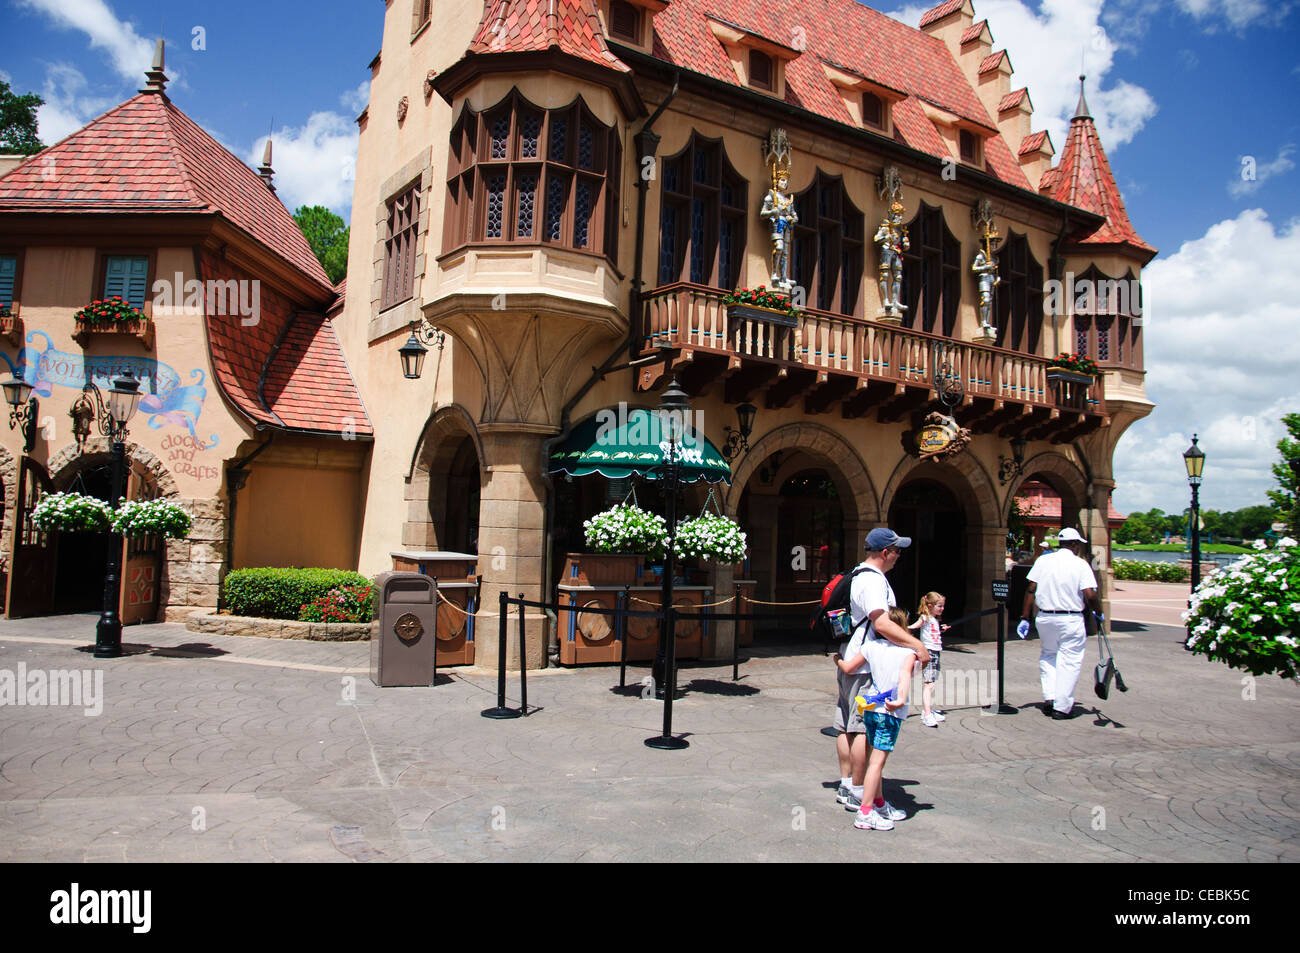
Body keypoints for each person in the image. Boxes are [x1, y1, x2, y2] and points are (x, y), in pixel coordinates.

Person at [831, 528, 929, 830]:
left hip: (850, 655)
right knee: (862, 730)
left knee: (845, 725)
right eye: (897, 550)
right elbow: (881, 621)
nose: (899, 556)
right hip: (864, 662)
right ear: (885, 552)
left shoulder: (857, 574)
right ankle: (861, 792)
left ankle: (849, 784)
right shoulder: (873, 580)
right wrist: (915, 644)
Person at [1018, 527, 1102, 719]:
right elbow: (1090, 594)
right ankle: (1061, 707)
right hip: (1070, 618)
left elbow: (1031, 589)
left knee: (1048, 655)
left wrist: (1025, 617)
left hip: (1046, 617)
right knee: (1069, 660)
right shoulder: (1080, 565)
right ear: (1074, 545)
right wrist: (1098, 612)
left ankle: (1050, 697)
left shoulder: (1043, 561)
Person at [910, 591, 949, 726]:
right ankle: (926, 713)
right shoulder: (925, 617)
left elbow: (932, 632)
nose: (942, 609)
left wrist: (941, 629)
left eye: (943, 606)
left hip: (936, 652)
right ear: (930, 605)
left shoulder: (934, 620)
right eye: (939, 606)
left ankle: (929, 710)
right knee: (929, 684)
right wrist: (903, 629)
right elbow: (915, 626)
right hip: (929, 653)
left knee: (932, 683)